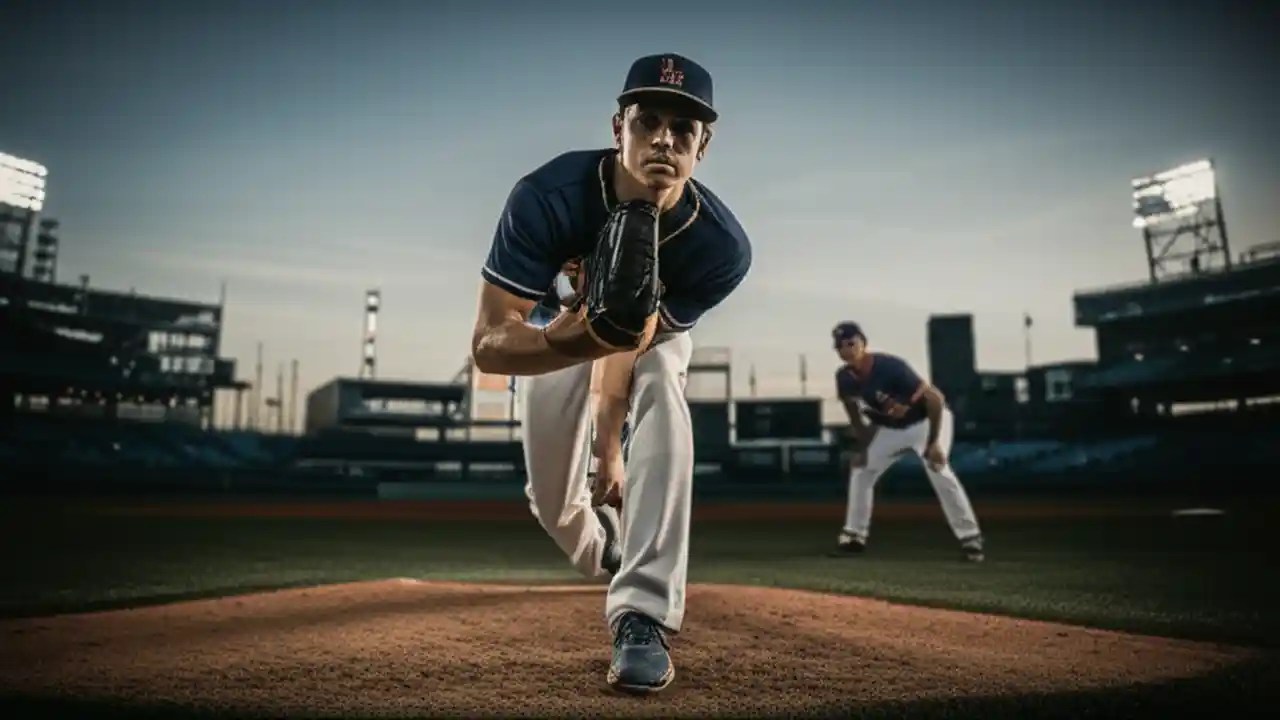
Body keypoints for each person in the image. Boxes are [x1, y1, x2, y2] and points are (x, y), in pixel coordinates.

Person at [470, 53, 752, 694]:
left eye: (684, 129)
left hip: (644, 338)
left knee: (662, 389)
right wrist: (569, 337)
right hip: (551, 330)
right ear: (618, 126)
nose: (664, 138)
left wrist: (609, 447)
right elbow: (489, 345)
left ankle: (642, 615)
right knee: (551, 502)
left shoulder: (720, 248)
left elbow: (631, 342)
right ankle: (610, 554)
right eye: (648, 120)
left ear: (703, 146)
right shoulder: (546, 196)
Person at [829, 321, 985, 562]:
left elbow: (934, 399)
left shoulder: (891, 367)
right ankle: (854, 536)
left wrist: (934, 443)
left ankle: (970, 538)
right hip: (891, 428)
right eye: (841, 346)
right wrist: (863, 445)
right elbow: (851, 408)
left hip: (927, 422)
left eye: (851, 343)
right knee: (861, 468)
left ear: (863, 343)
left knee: (938, 468)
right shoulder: (844, 377)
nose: (847, 350)